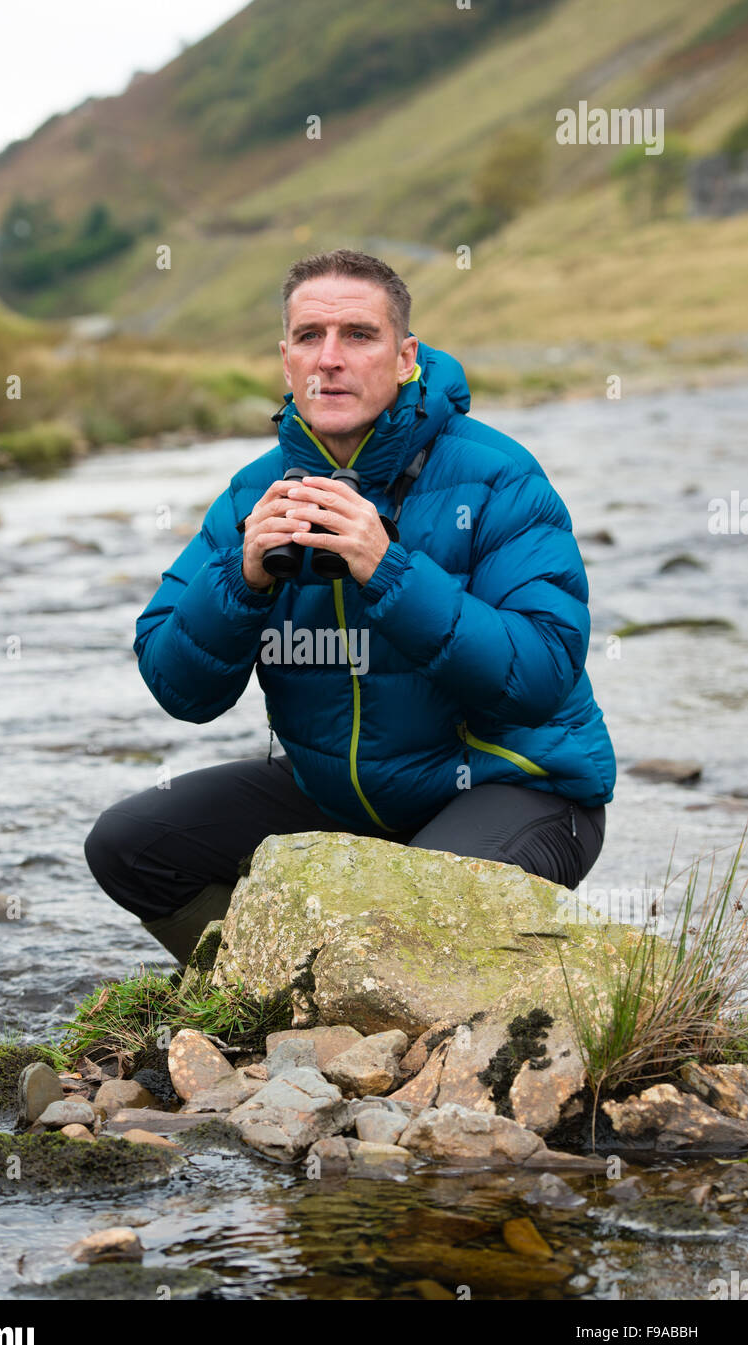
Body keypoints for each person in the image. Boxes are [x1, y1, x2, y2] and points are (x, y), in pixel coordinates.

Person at [84, 249, 616, 962]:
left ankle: (349, 1016)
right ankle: (249, 995)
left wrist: (388, 570)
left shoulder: (496, 477)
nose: (328, 358)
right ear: (285, 360)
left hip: (518, 785)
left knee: (408, 917)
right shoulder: (254, 493)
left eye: (357, 336)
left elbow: (541, 672)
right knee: (130, 846)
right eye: (309, 337)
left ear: (404, 358)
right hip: (341, 796)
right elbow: (180, 689)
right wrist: (241, 580)